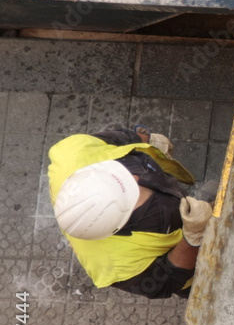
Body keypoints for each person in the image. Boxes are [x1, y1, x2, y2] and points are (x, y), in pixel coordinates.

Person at [47, 126, 214, 299]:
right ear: (119, 225)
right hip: (195, 261)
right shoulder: (118, 268)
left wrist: (147, 139)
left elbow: (117, 138)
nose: (134, 177)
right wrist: (193, 237)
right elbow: (168, 281)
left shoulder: (71, 152)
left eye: (118, 174)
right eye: (130, 192)